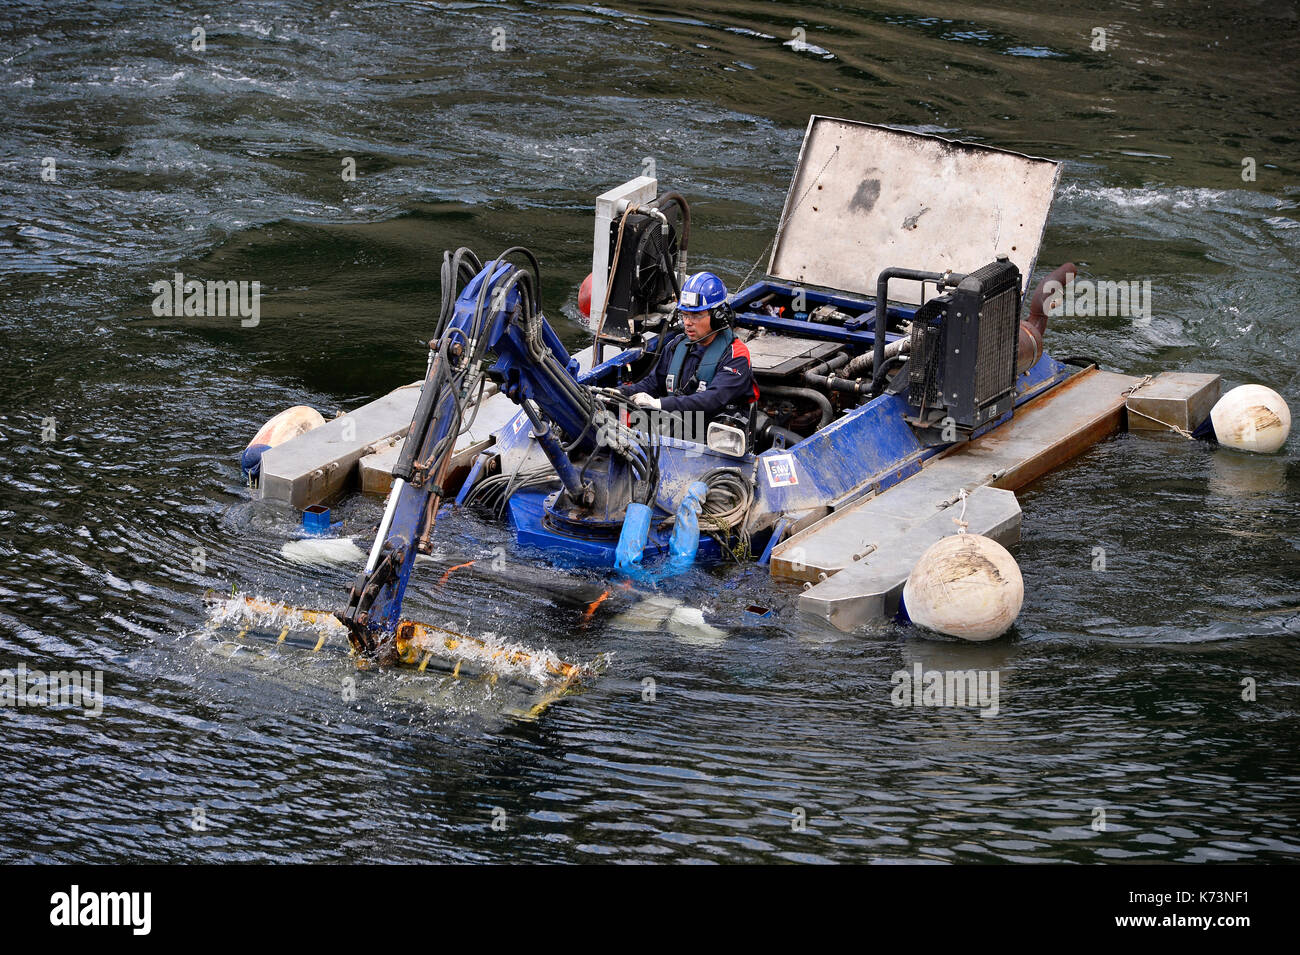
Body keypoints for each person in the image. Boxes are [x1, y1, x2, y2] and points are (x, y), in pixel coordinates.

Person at [619, 272, 757, 425]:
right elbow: (653, 383)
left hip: (716, 436)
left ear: (718, 317)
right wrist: (620, 393)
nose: (688, 322)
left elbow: (713, 399)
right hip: (677, 427)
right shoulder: (676, 345)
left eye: (696, 315)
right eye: (685, 315)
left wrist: (660, 404)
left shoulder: (736, 356)